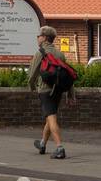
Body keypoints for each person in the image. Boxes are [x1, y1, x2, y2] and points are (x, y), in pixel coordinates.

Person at [28, 25, 76, 159]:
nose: (37, 38)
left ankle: (60, 148)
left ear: (44, 38)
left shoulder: (40, 53)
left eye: (39, 36)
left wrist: (31, 88)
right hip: (58, 90)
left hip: (45, 90)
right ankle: (42, 144)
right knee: (51, 116)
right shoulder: (60, 54)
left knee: (52, 118)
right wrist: (71, 94)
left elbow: (32, 74)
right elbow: (68, 74)